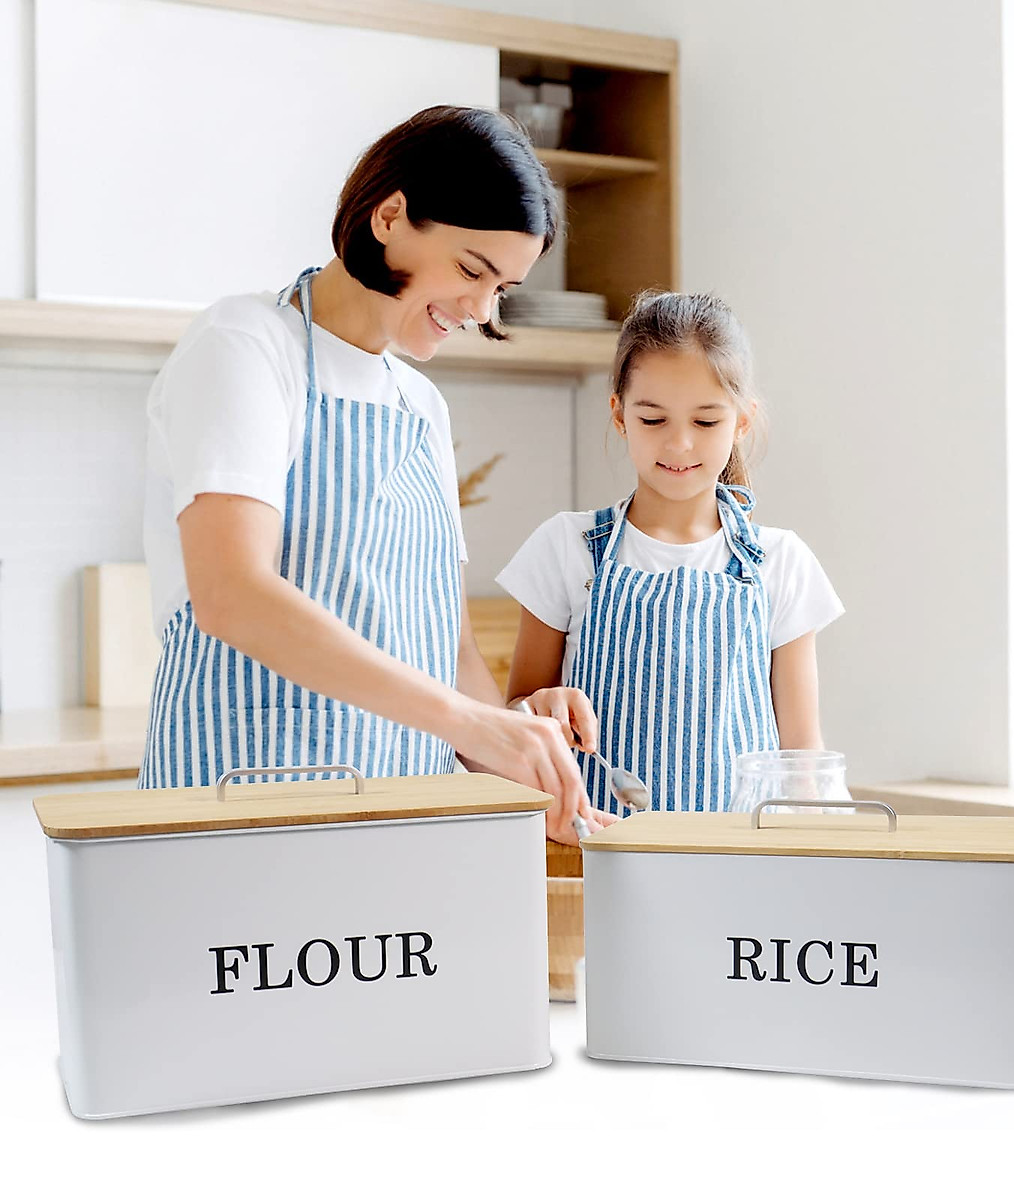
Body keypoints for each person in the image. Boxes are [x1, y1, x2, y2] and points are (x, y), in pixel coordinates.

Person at [138, 105, 612, 844]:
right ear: (390, 216)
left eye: (502, 289)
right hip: (246, 813)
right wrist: (471, 723)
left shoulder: (420, 406)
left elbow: (449, 651)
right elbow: (232, 595)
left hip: (403, 821)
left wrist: (517, 738)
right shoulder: (245, 345)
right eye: (472, 270)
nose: (479, 309)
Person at [498, 291, 844, 813]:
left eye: (705, 422)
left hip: (735, 851)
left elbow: (800, 757)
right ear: (619, 415)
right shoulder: (566, 547)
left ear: (742, 421)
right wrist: (536, 709)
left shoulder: (780, 561)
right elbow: (514, 717)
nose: (679, 444)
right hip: (595, 845)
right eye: (653, 419)